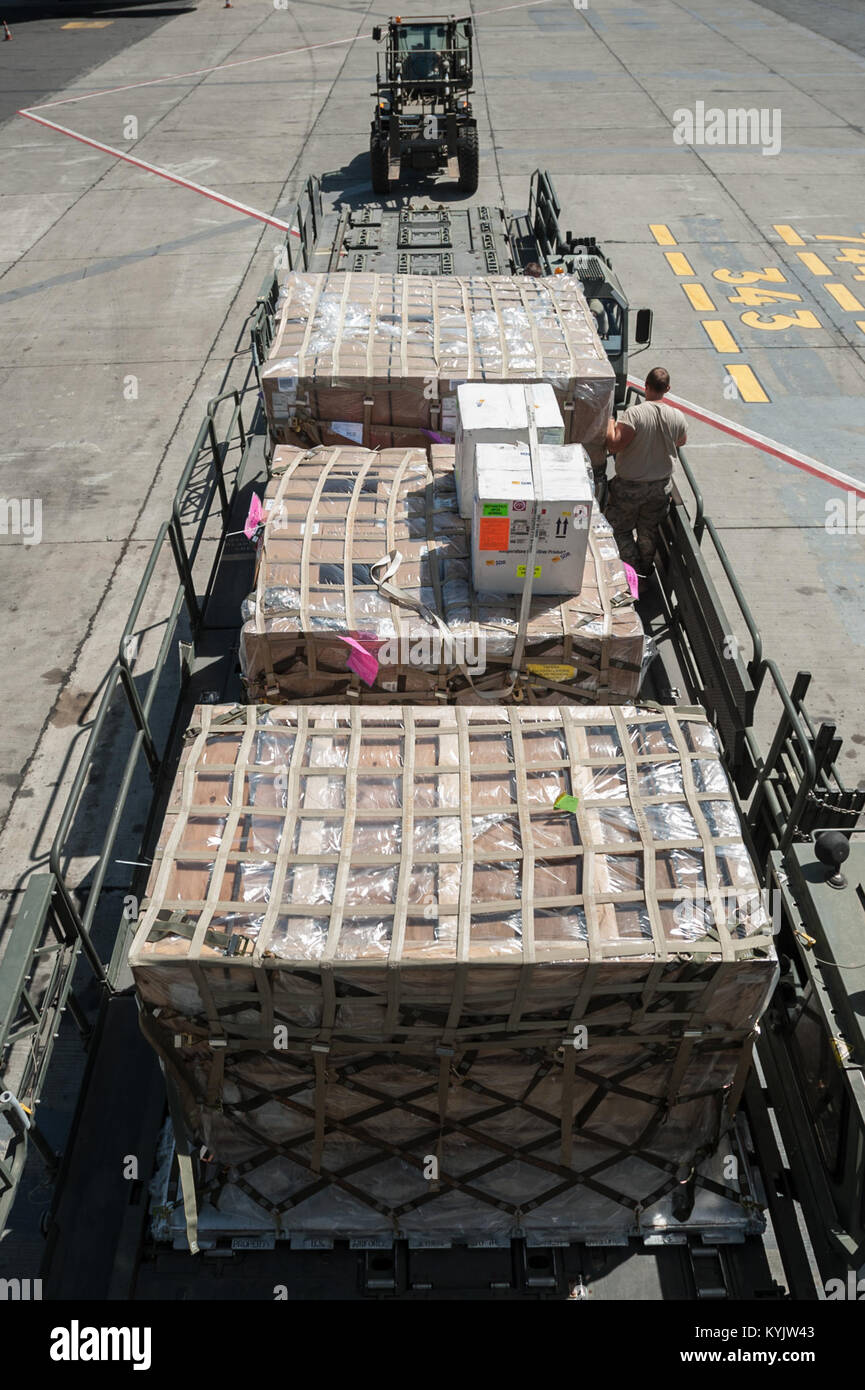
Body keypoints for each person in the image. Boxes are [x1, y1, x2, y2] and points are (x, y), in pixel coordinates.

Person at [603, 366, 687, 577]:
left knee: (619, 529)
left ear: (646, 386)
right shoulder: (677, 416)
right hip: (660, 488)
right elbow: (681, 441)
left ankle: (632, 571)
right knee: (647, 531)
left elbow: (614, 445)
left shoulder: (635, 414)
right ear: (667, 388)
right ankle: (645, 570)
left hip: (630, 487)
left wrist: (609, 422)